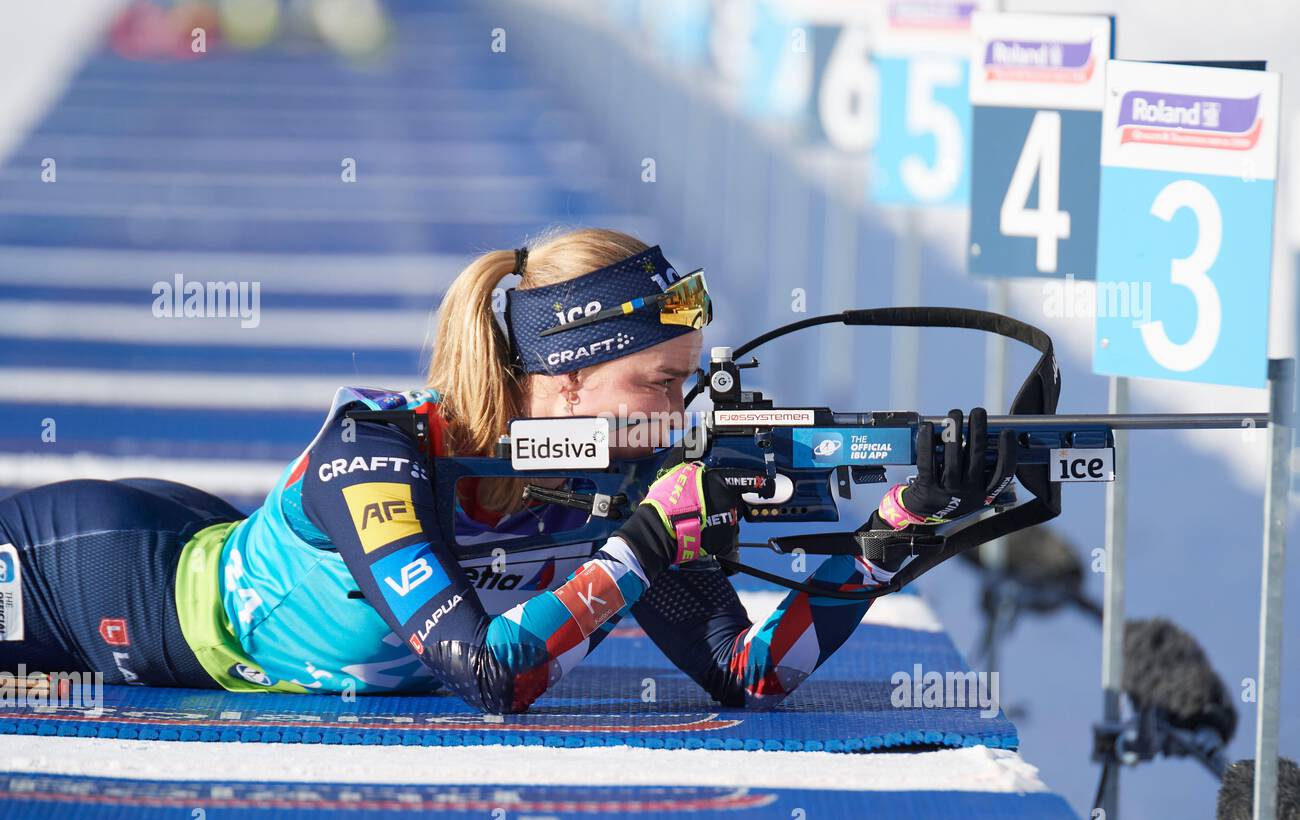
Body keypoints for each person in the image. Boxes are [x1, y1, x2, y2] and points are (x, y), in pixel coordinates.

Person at [0, 227, 1014, 713]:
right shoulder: (377, 452)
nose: (679, 413)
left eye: (687, 382)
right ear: (566, 382)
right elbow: (492, 673)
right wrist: (650, 539)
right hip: (90, 578)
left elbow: (751, 673)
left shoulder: (621, 484)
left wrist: (902, 523)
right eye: (658, 382)